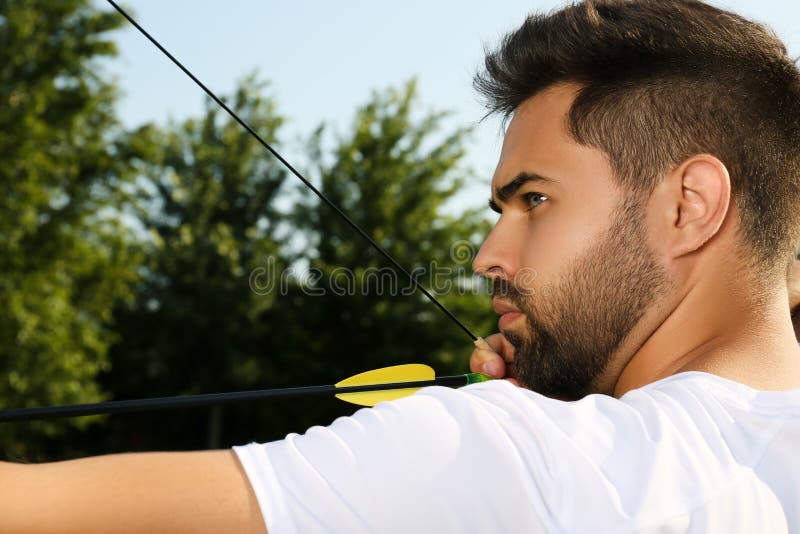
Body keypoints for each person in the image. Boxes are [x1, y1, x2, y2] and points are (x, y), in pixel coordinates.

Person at [3, 0, 800, 532]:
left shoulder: (504, 453)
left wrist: (527, 429)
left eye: (533, 200)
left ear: (689, 205)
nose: (490, 255)